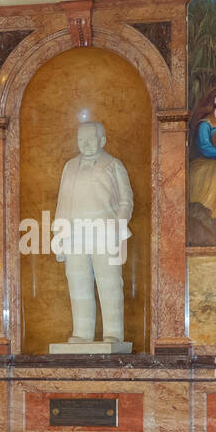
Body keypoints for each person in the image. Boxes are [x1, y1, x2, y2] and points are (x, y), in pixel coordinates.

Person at [53, 121, 134, 345]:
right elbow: (63, 201)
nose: (85, 144)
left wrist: (117, 226)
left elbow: (126, 201)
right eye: (81, 140)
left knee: (109, 284)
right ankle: (82, 332)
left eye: (90, 139)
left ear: (103, 140)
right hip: (74, 236)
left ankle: (113, 333)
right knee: (78, 285)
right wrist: (59, 236)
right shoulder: (69, 167)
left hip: (105, 234)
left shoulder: (114, 165)